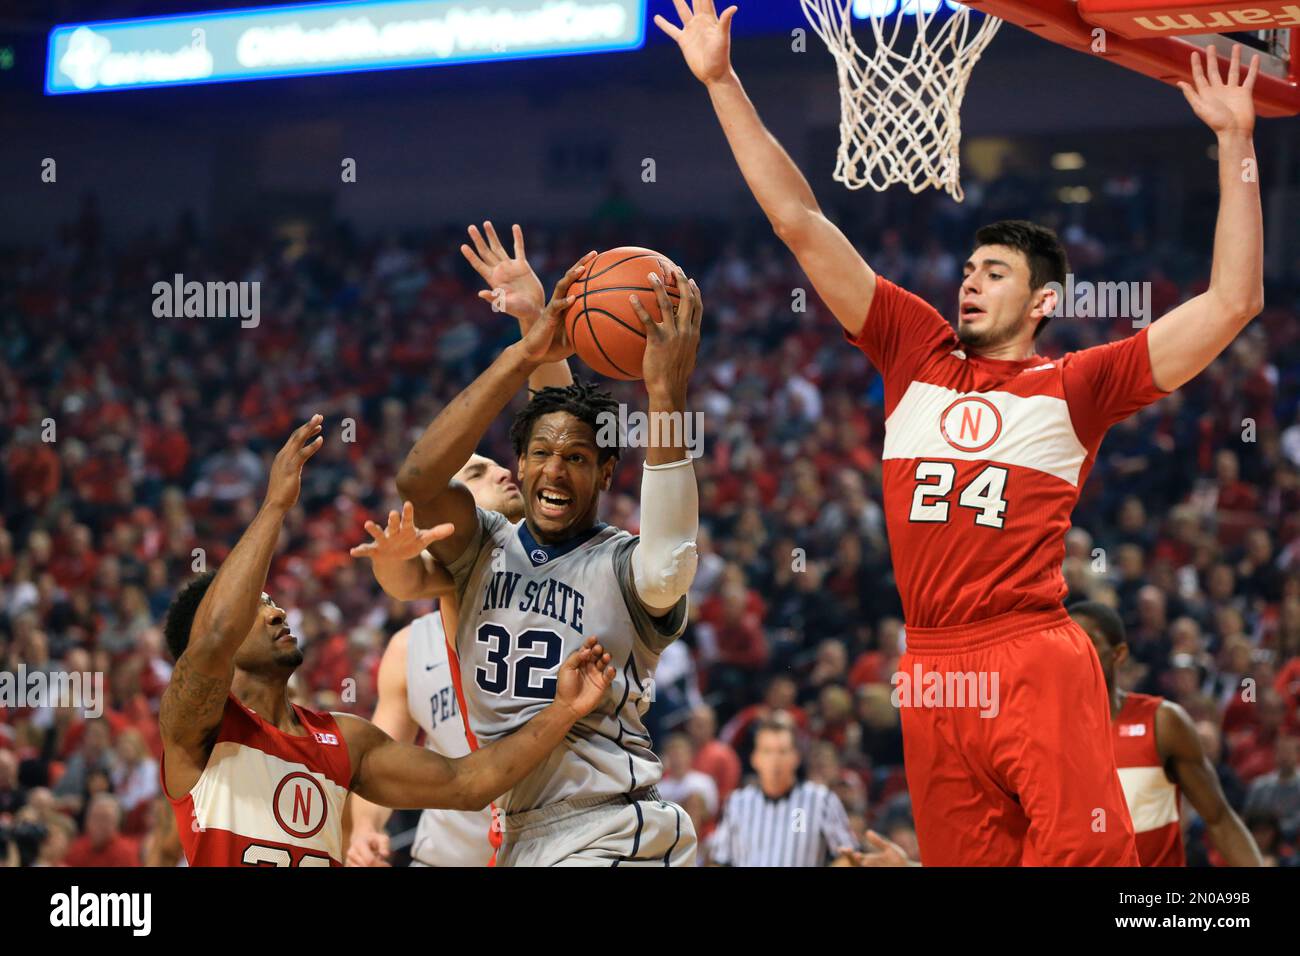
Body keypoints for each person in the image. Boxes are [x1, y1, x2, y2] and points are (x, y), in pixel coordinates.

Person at [659, 0, 1265, 866]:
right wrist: (721, 82)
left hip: (1031, 654)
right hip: (933, 667)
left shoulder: (1079, 384)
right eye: (970, 267)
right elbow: (800, 222)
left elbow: (1233, 302)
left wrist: (1235, 145)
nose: (970, 282)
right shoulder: (913, 346)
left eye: (997, 273)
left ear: (1044, 301)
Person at [158, 416, 616, 866]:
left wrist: (564, 711)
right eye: (256, 608)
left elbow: (467, 783)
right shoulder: (198, 733)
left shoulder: (342, 738)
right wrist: (275, 505)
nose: (276, 610)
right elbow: (216, 636)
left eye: (271, 599)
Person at [393, 250, 704, 865]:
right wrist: (527, 348)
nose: (555, 470)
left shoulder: (623, 566)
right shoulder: (482, 547)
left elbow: (670, 559)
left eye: (579, 460)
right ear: (521, 464)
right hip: (523, 836)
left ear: (607, 471)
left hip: (613, 828)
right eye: (540, 455)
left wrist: (665, 393)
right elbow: (419, 481)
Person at [346, 222, 575, 868]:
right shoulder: (404, 652)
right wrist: (364, 829)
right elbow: (381, 760)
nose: (502, 470)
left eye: (495, 464)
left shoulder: (549, 562)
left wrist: (536, 323)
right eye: (474, 472)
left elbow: (561, 418)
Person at [1068, 601, 1261, 866]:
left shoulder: (1163, 721)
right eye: (1068, 643)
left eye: (1090, 641)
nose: (1078, 651)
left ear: (1119, 653)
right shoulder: (1044, 731)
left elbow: (1220, 819)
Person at [706, 717, 858, 866]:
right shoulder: (737, 802)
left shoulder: (821, 800)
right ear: (755, 758)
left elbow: (848, 856)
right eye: (767, 751)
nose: (775, 760)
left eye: (782, 751)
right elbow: (720, 859)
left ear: (796, 757)